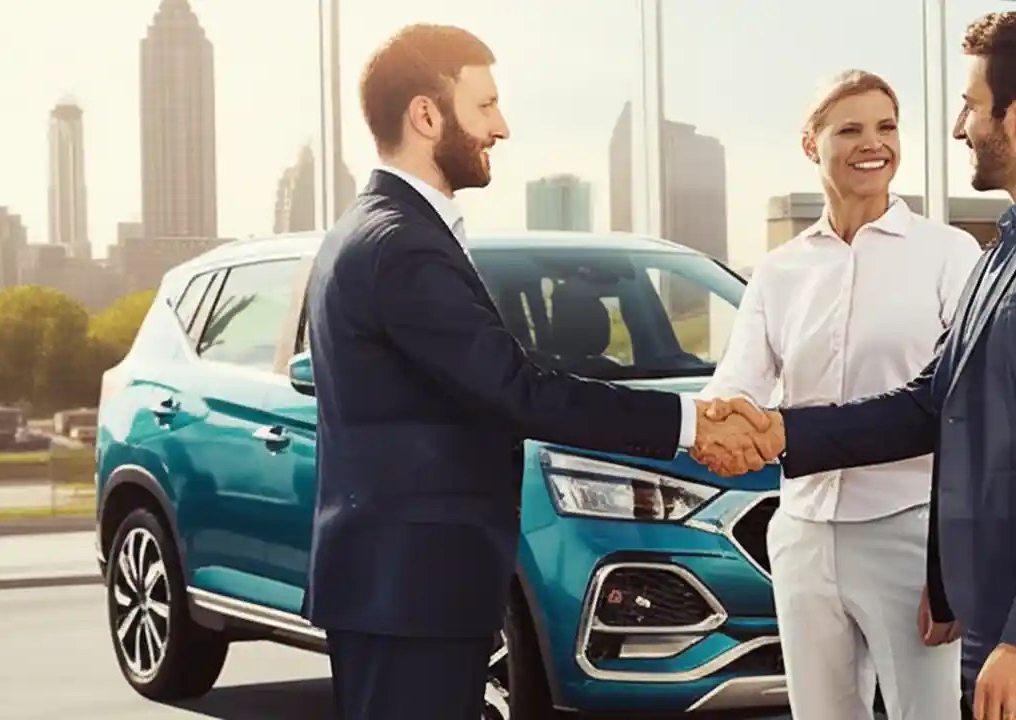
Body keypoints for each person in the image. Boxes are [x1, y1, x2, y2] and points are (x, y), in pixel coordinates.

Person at [698, 10, 1016, 720]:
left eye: (970, 106)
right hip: (999, 626)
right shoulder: (1012, 248)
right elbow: (933, 406)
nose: (957, 128)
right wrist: (778, 434)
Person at [302, 24, 771, 719]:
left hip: (404, 587)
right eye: (485, 105)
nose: (502, 126)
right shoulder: (402, 246)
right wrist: (690, 420)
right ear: (427, 115)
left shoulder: (372, 231)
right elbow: (514, 390)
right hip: (413, 590)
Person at [699, 70, 981, 720]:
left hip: (907, 531)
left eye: (885, 126)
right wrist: (717, 421)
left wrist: (951, 567)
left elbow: (961, 408)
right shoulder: (779, 270)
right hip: (800, 532)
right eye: (849, 128)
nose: (872, 143)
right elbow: (739, 380)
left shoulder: (949, 255)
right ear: (811, 144)